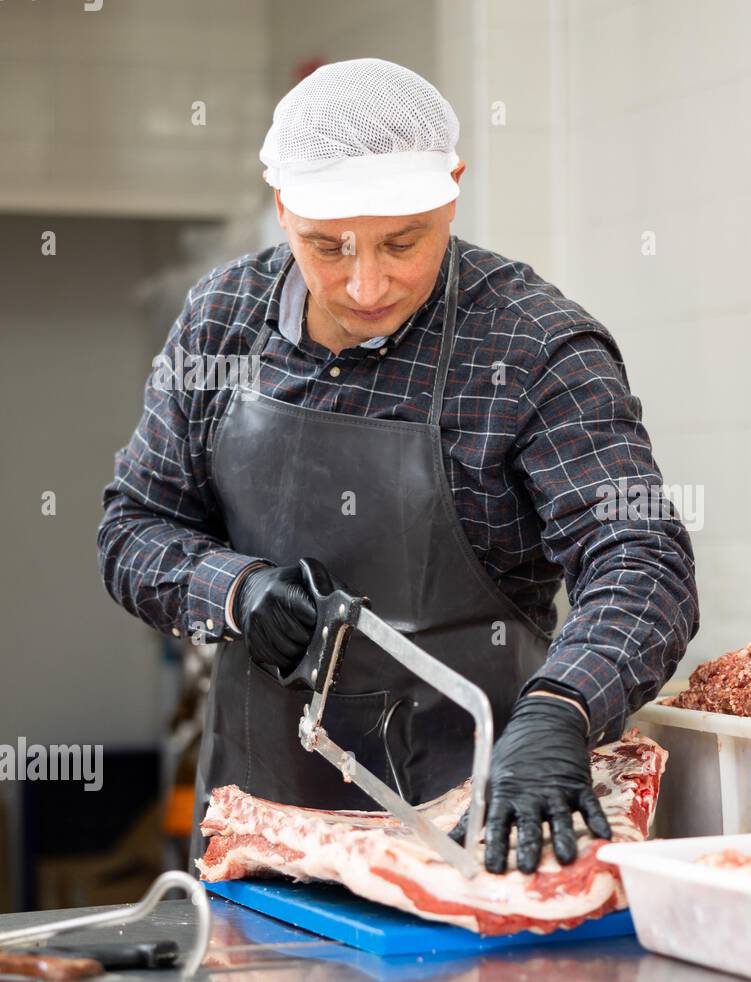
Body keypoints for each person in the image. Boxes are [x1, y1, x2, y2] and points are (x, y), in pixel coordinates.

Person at [96, 58, 698, 875]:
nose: (367, 284)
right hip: (262, 835)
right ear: (283, 208)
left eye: (402, 243)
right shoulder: (219, 321)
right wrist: (234, 592)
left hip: (485, 820)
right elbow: (132, 527)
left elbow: (641, 556)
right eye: (327, 248)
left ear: (452, 189)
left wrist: (561, 709)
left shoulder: (535, 347)